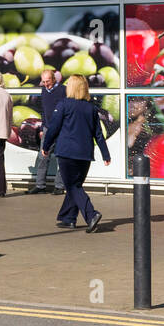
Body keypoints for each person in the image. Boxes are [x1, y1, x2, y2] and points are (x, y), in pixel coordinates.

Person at [41, 75, 111, 231]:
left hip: (67, 152)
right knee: (75, 185)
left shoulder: (64, 105)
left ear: (71, 88)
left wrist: (46, 146)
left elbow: (53, 128)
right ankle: (68, 218)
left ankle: (91, 214)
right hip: (85, 154)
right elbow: (98, 134)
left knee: (72, 186)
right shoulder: (91, 108)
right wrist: (106, 155)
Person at [27, 67, 66, 195]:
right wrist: (43, 127)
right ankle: (40, 185)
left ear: (54, 79)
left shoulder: (63, 90)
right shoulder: (44, 90)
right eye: (43, 82)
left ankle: (59, 186)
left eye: (47, 81)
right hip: (47, 128)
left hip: (61, 129)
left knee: (61, 157)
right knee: (43, 156)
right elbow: (43, 110)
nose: (45, 84)